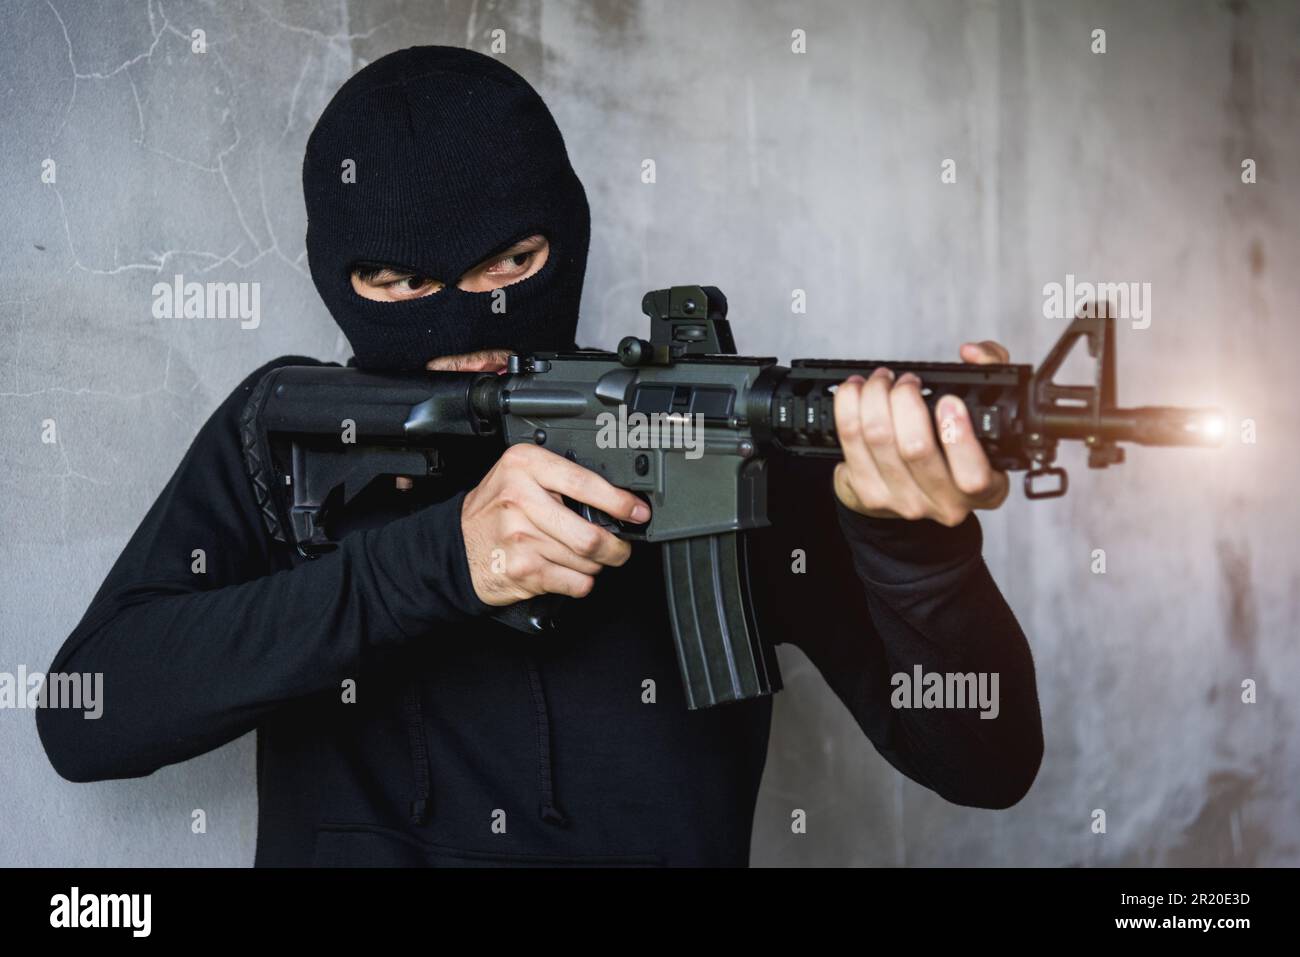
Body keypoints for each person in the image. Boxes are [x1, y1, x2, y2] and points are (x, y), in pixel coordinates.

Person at [37, 46, 1042, 867]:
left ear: (563, 233)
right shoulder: (292, 427)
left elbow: (988, 762)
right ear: (339, 276)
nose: (470, 316)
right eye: (397, 284)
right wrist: (434, 567)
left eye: (509, 265)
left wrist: (914, 548)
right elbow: (88, 718)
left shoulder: (717, 441)